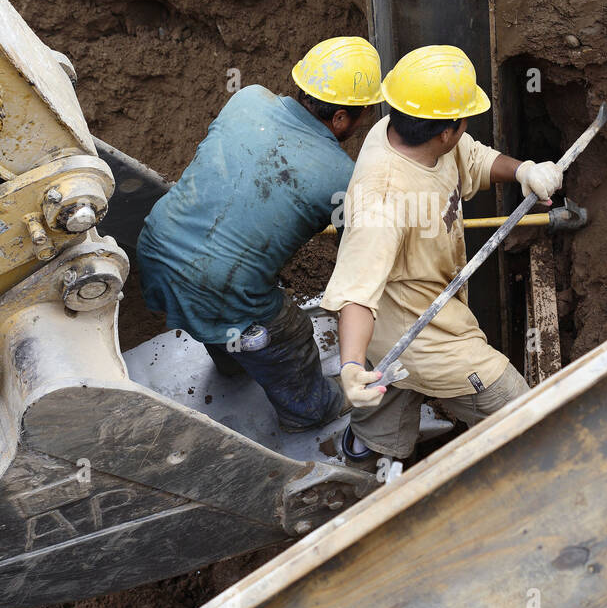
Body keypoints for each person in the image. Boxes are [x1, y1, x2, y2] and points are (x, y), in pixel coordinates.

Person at [321, 44, 563, 464]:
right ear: (444, 131)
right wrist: (349, 366)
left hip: (408, 315)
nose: (465, 129)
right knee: (515, 405)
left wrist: (524, 170)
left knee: (389, 384)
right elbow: (357, 295)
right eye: (464, 120)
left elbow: (473, 157)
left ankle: (365, 453)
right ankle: (536, 465)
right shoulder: (382, 202)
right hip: (424, 331)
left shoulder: (402, 131)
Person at [137, 36, 383, 429]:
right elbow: (356, 256)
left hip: (155, 247)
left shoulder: (247, 98)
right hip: (220, 288)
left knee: (208, 312)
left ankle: (234, 361)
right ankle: (308, 411)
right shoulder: (342, 176)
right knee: (291, 334)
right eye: (362, 114)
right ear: (339, 118)